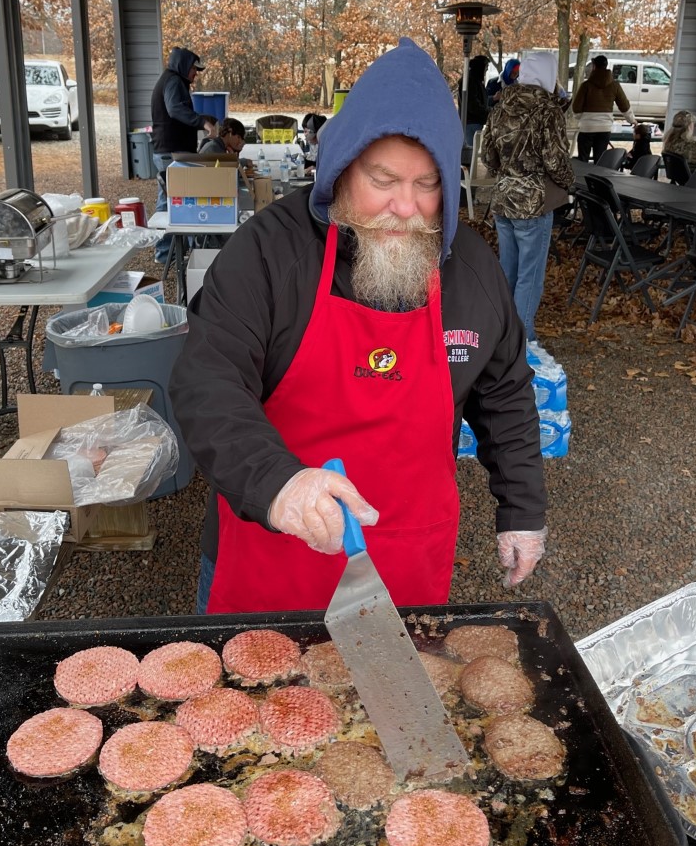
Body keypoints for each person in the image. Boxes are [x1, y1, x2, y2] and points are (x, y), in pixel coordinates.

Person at [169, 38, 548, 616]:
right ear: (343, 166)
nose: (405, 207)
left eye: (428, 185)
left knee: (394, 707)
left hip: (404, 564)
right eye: (384, 179)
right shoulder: (270, 252)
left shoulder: (471, 271)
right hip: (274, 552)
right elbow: (207, 382)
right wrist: (279, 485)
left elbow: (505, 393)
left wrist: (522, 511)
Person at [482, 52, 574, 345]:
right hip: (533, 202)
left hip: (503, 198)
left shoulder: (500, 106)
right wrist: (568, 183)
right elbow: (556, 161)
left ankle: (502, 335)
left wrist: (508, 173)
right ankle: (522, 342)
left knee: (507, 270)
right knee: (530, 276)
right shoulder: (548, 111)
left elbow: (488, 157)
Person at [151, 47, 215, 261]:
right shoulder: (173, 81)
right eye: (193, 69)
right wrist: (202, 122)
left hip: (169, 150)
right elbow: (175, 109)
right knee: (173, 202)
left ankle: (169, 252)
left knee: (170, 200)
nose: (195, 73)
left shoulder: (174, 81)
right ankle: (164, 253)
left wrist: (205, 118)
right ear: (183, 66)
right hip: (171, 151)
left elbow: (180, 113)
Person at [570, 54, 635, 163]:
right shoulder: (615, 85)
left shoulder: (586, 85)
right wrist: (632, 120)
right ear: (606, 65)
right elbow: (624, 106)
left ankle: (582, 179)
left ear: (594, 66)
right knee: (599, 161)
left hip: (587, 127)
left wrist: (582, 117)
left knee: (582, 161)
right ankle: (596, 179)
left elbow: (576, 107)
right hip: (604, 128)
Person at [463, 54, 491, 148]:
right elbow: (473, 105)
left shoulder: (475, 81)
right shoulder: (471, 82)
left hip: (475, 122)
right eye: (486, 67)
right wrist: (489, 112)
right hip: (471, 123)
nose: (486, 70)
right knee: (472, 151)